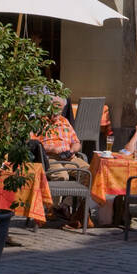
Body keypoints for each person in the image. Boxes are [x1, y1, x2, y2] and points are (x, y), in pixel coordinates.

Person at [32, 95, 90, 227]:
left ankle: (64, 205)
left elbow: (76, 142)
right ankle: (51, 208)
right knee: (61, 176)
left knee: (91, 172)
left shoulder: (64, 121)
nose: (58, 113)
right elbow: (33, 143)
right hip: (49, 157)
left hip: (69, 157)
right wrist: (53, 149)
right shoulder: (39, 122)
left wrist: (73, 149)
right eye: (55, 109)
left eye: (60, 110)